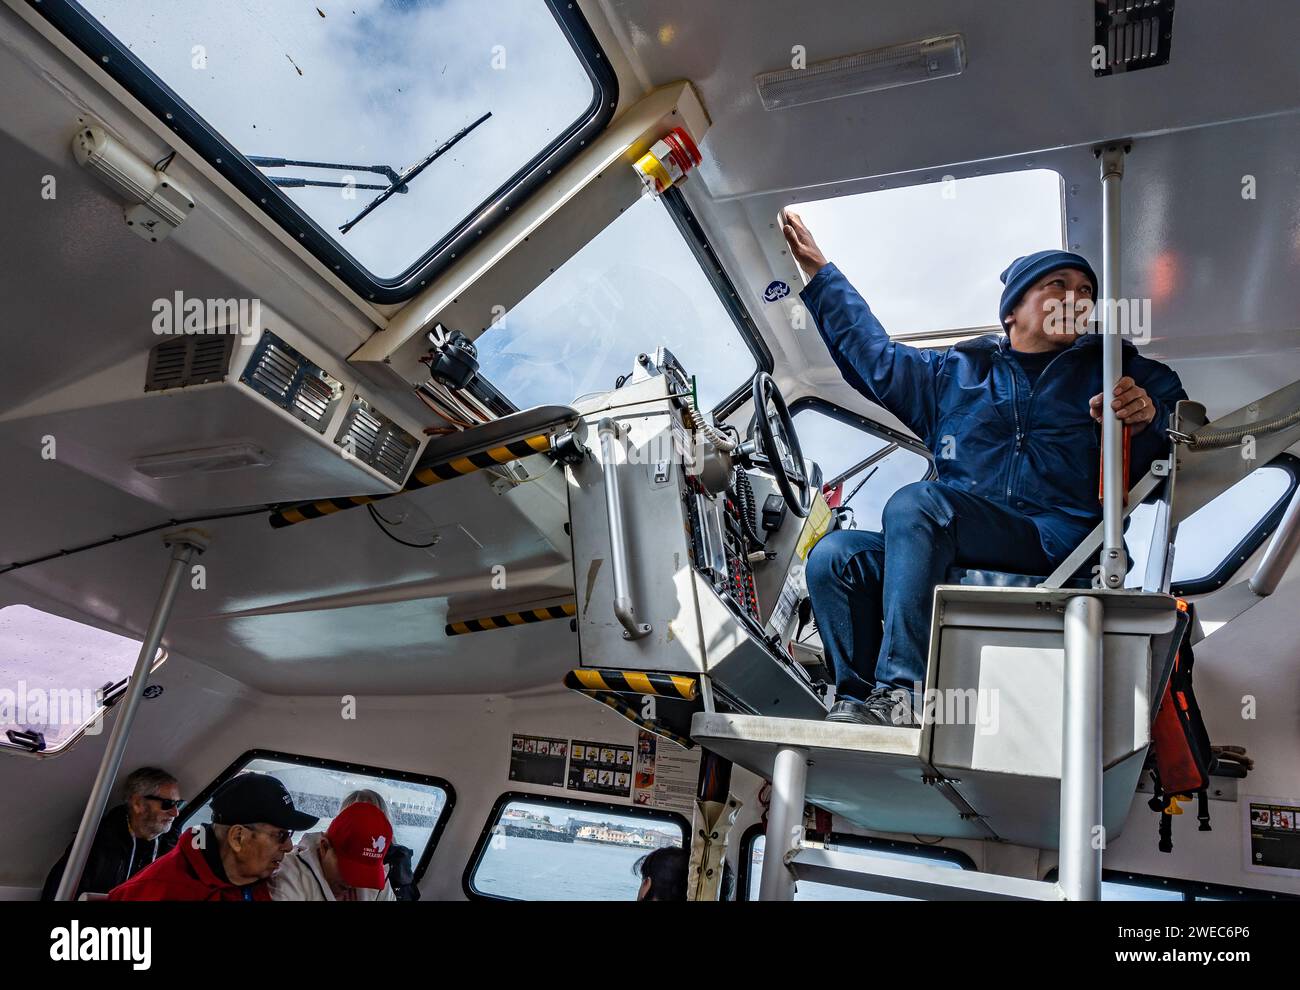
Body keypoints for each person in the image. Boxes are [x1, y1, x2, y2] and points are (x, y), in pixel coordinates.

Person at [783, 210, 1188, 727]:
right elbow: (873, 358)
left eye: (1086, 291)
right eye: (1057, 285)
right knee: (836, 555)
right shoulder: (954, 374)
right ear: (1012, 312)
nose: (1077, 298)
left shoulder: (1117, 370)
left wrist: (1147, 415)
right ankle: (857, 702)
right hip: (957, 533)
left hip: (1056, 543)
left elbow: (1178, 437)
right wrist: (822, 276)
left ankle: (902, 693)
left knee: (917, 504)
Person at [107, 772, 318, 901]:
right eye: (281, 835)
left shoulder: (259, 880)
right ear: (237, 838)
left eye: (290, 834)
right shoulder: (161, 891)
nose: (289, 846)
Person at [42, 766, 183, 900]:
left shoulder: (173, 849)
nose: (175, 813)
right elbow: (57, 894)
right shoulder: (96, 845)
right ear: (138, 803)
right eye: (167, 804)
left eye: (178, 804)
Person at [270, 800, 395, 901]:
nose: (353, 883)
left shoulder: (379, 883)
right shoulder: (291, 875)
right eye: (350, 869)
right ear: (324, 847)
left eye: (366, 875)